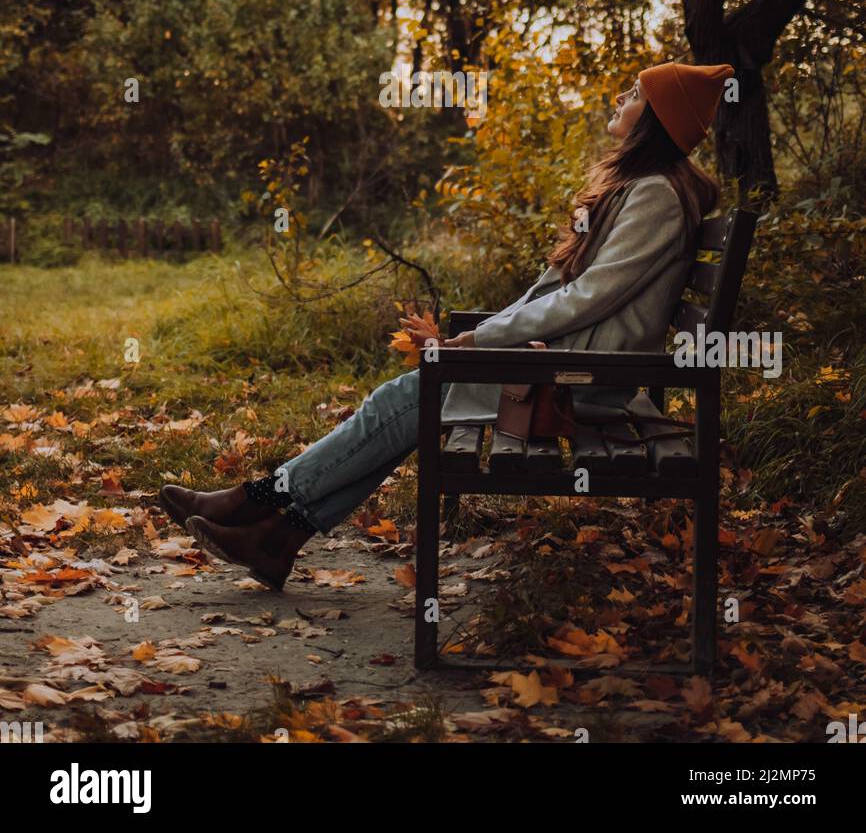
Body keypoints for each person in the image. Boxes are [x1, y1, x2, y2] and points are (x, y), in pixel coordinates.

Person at [159, 60, 733, 590]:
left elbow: (585, 299)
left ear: (657, 118)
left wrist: (480, 341)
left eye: (635, 93)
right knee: (404, 404)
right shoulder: (641, 187)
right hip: (562, 360)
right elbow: (563, 293)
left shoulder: (655, 194)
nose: (620, 97)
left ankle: (255, 503)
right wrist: (478, 340)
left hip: (582, 377)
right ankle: (275, 537)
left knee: (401, 403)